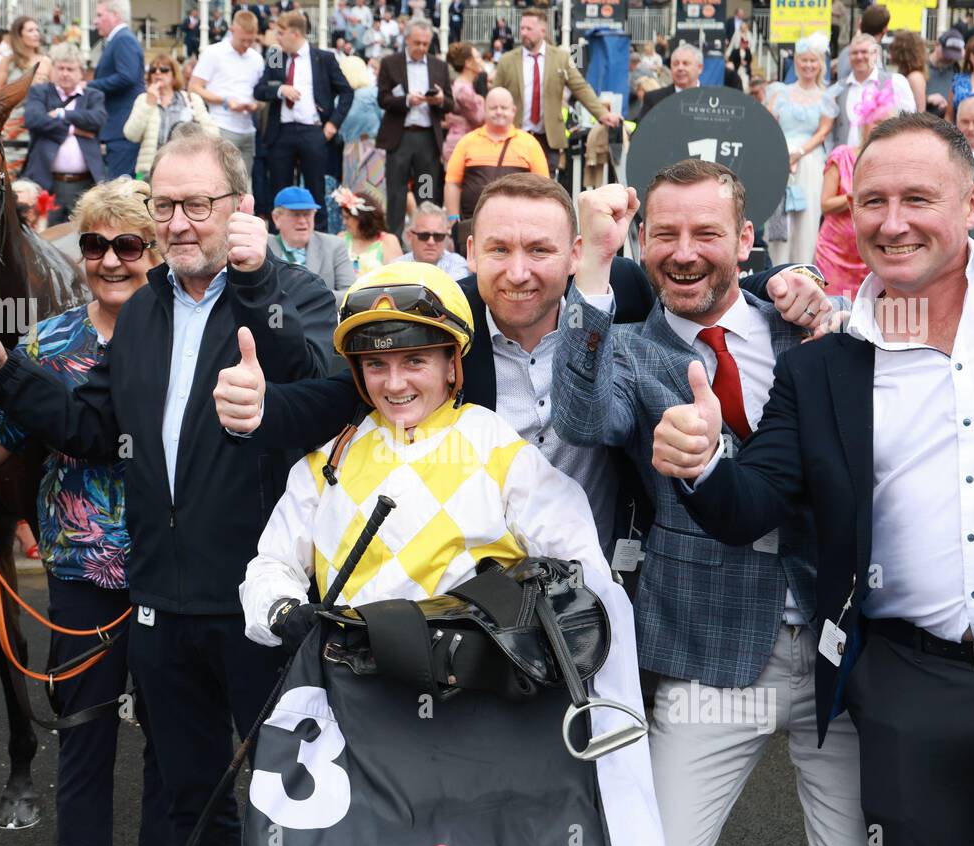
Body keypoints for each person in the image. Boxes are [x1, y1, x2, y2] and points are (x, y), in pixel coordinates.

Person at [651, 112, 974, 846]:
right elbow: (752, 505)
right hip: (908, 687)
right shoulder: (821, 365)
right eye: (870, 202)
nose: (892, 222)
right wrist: (705, 460)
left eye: (919, 197)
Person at [0, 129, 326, 846]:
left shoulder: (289, 290)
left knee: (284, 794)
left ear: (238, 209)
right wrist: (4, 372)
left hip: (255, 597)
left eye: (196, 206)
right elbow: (87, 426)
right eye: (167, 205)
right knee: (192, 794)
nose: (178, 222)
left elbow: (321, 390)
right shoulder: (142, 314)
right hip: (153, 601)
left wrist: (257, 286)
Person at [239, 262, 667, 846]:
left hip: (478, 713)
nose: (394, 382)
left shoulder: (495, 446)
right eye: (376, 366)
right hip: (361, 711)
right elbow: (271, 563)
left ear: (451, 364)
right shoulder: (329, 458)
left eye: (414, 361)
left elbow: (584, 572)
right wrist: (281, 611)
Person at [214, 172, 832, 559]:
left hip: (593, 587)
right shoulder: (438, 327)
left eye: (539, 250)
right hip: (460, 584)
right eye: (499, 249)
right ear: (469, 253)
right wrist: (262, 410)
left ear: (575, 256)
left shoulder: (620, 298)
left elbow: (709, 280)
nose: (518, 271)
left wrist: (795, 279)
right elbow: (349, 391)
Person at [550, 169, 875, 846]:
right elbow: (580, 417)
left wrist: (811, 285)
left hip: (838, 653)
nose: (684, 252)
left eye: (706, 233)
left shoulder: (807, 324)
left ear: (747, 240)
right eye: (664, 234)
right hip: (709, 649)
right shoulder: (628, 350)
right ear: (642, 240)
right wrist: (594, 267)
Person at [0, 177, 177, 846]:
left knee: (171, 733)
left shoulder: (186, 332)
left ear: (154, 251)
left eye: (127, 245)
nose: (109, 260)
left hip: (173, 568)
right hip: (78, 567)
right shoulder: (46, 339)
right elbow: (0, 446)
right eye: (95, 245)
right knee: (82, 731)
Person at [491, 9, 620, 179]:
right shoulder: (507, 60)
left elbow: (580, 87)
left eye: (528, 29)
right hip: (515, 135)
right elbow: (494, 95)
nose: (523, 33)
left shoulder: (560, 58)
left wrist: (602, 114)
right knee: (515, 184)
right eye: (522, 28)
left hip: (548, 137)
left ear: (543, 31)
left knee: (544, 188)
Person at [256, 11, 353, 234]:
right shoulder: (276, 55)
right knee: (279, 190)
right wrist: (280, 90)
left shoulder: (324, 58)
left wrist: (332, 125)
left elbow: (346, 92)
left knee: (315, 190)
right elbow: (259, 90)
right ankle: (277, 244)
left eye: (281, 33)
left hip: (313, 131)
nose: (277, 38)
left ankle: (318, 240)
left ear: (295, 33)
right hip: (281, 132)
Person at [442, 86, 547, 249]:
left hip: (519, 226)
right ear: (484, 110)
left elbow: (543, 187)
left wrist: (538, 221)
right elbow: (452, 183)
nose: (499, 112)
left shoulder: (529, 143)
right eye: (493, 108)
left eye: (504, 108)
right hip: (473, 225)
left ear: (513, 111)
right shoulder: (467, 141)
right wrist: (453, 218)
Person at [815, 86, 895, 297]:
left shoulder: (894, 165)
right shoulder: (842, 156)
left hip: (873, 255)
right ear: (864, 124)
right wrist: (858, 195)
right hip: (835, 254)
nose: (882, 128)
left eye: (887, 124)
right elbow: (825, 204)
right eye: (877, 122)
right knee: (834, 319)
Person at [376, 19, 452, 238]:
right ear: (407, 40)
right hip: (400, 138)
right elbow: (383, 99)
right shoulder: (391, 63)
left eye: (425, 44)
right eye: (417, 42)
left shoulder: (439, 66)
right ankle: (394, 241)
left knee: (426, 193)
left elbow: (450, 102)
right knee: (396, 193)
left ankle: (427, 237)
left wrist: (438, 100)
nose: (421, 47)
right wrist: (407, 100)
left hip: (428, 140)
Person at [766, 34, 836, 267]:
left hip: (810, 161)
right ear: (795, 62)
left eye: (813, 61)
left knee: (807, 220)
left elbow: (823, 130)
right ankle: (776, 270)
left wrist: (799, 152)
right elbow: (768, 124)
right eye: (803, 60)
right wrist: (782, 152)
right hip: (780, 160)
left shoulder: (826, 97)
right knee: (779, 219)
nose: (808, 65)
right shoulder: (779, 92)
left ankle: (804, 269)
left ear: (820, 65)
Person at [23, 45, 108, 225]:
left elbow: (98, 119)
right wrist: (74, 130)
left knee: (84, 237)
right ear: (53, 70)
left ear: (81, 73)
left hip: (85, 184)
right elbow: (33, 119)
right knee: (47, 238)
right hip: (48, 183)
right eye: (60, 68)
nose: (65, 73)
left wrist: (62, 114)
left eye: (70, 69)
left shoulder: (93, 96)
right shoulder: (40, 93)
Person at [189, 11, 264, 189]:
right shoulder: (213, 52)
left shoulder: (257, 58)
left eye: (250, 40)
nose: (246, 45)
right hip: (221, 126)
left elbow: (261, 95)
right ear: (232, 30)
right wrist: (225, 101)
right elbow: (194, 87)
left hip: (248, 129)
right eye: (243, 40)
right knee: (220, 185)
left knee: (243, 187)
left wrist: (256, 105)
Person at [124, 53, 217, 181]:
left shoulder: (191, 99)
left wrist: (192, 133)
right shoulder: (143, 100)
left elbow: (213, 133)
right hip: (149, 172)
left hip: (186, 169)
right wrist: (149, 103)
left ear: (174, 75)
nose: (157, 73)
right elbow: (131, 135)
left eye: (164, 70)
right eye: (152, 70)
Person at [268, 184, 356, 307]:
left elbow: (351, 295)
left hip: (320, 322)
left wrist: (312, 296)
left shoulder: (334, 246)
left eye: (307, 214)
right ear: (276, 218)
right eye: (295, 214)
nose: (303, 221)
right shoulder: (264, 246)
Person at [826, 33, 915, 150]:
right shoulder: (838, 88)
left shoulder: (895, 82)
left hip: (882, 157)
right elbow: (829, 133)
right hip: (845, 162)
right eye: (854, 53)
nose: (859, 57)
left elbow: (909, 122)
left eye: (864, 52)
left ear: (875, 54)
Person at [89, 0, 146, 179]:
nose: (95, 21)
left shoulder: (123, 40)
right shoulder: (119, 40)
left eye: (99, 15)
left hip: (123, 129)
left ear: (115, 15)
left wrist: (89, 86)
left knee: (119, 191)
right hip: (118, 129)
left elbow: (127, 77)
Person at [0, 16, 51, 179]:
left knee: (37, 173)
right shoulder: (7, 62)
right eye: (30, 30)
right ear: (19, 34)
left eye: (37, 30)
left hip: (39, 124)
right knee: (10, 172)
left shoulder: (46, 62)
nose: (36, 34)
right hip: (13, 126)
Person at [390, 201, 468, 279]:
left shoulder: (457, 264)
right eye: (424, 236)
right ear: (409, 236)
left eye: (438, 236)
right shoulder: (395, 268)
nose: (431, 242)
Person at [333, 184, 401, 272]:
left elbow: (397, 276)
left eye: (347, 218)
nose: (344, 222)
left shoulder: (388, 241)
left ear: (361, 218)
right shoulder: (341, 239)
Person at [443, 43, 486, 166]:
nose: (480, 61)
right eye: (477, 57)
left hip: (464, 144)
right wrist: (483, 102)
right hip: (461, 146)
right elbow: (478, 119)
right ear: (468, 63)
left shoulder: (463, 86)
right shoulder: (463, 90)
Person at [633, 43, 700, 122]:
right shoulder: (653, 99)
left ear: (699, 68)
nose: (680, 68)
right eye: (676, 64)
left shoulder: (711, 100)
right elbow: (642, 131)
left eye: (686, 63)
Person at [833, 3, 889, 84]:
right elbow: (881, 84)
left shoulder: (846, 51)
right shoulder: (873, 52)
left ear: (860, 25)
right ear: (885, 29)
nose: (859, 56)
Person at [886, 30, 928, 112]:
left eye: (894, 47)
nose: (890, 51)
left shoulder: (915, 77)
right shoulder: (905, 74)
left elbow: (920, 112)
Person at [926, 30, 964, 116]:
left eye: (954, 56)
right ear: (937, 45)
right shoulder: (919, 67)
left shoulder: (957, 69)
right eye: (947, 54)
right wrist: (927, 99)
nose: (950, 59)